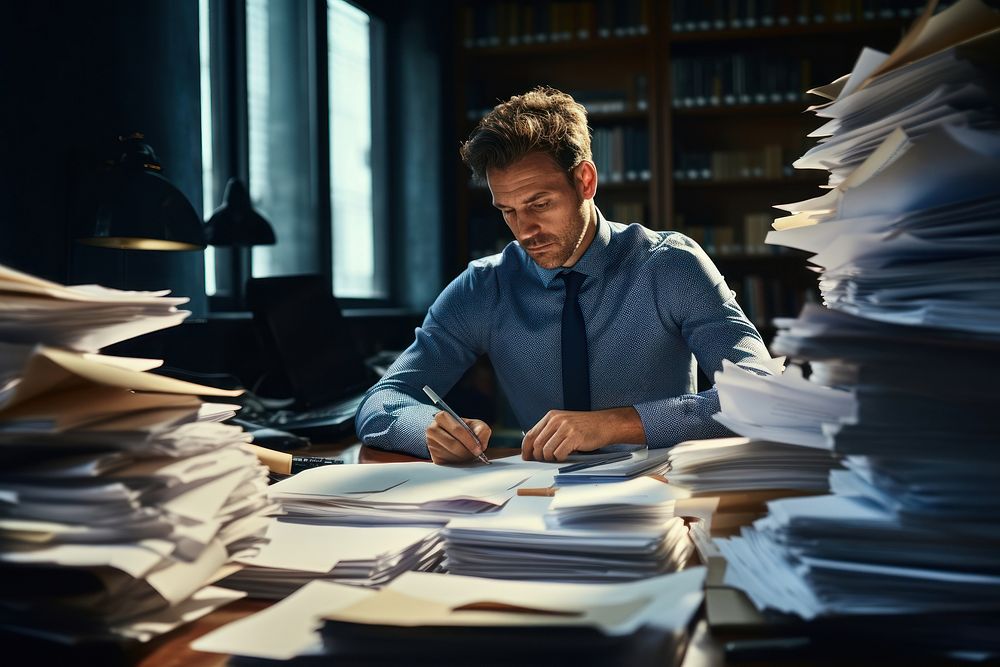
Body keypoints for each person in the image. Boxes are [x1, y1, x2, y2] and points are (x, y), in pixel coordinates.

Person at [356, 86, 772, 464]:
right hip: (536, 498)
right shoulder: (485, 287)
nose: (525, 231)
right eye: (508, 211)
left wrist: (617, 423)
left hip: (660, 494)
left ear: (585, 180)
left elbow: (758, 395)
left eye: (539, 204)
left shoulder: (671, 265)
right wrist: (428, 430)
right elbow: (381, 401)